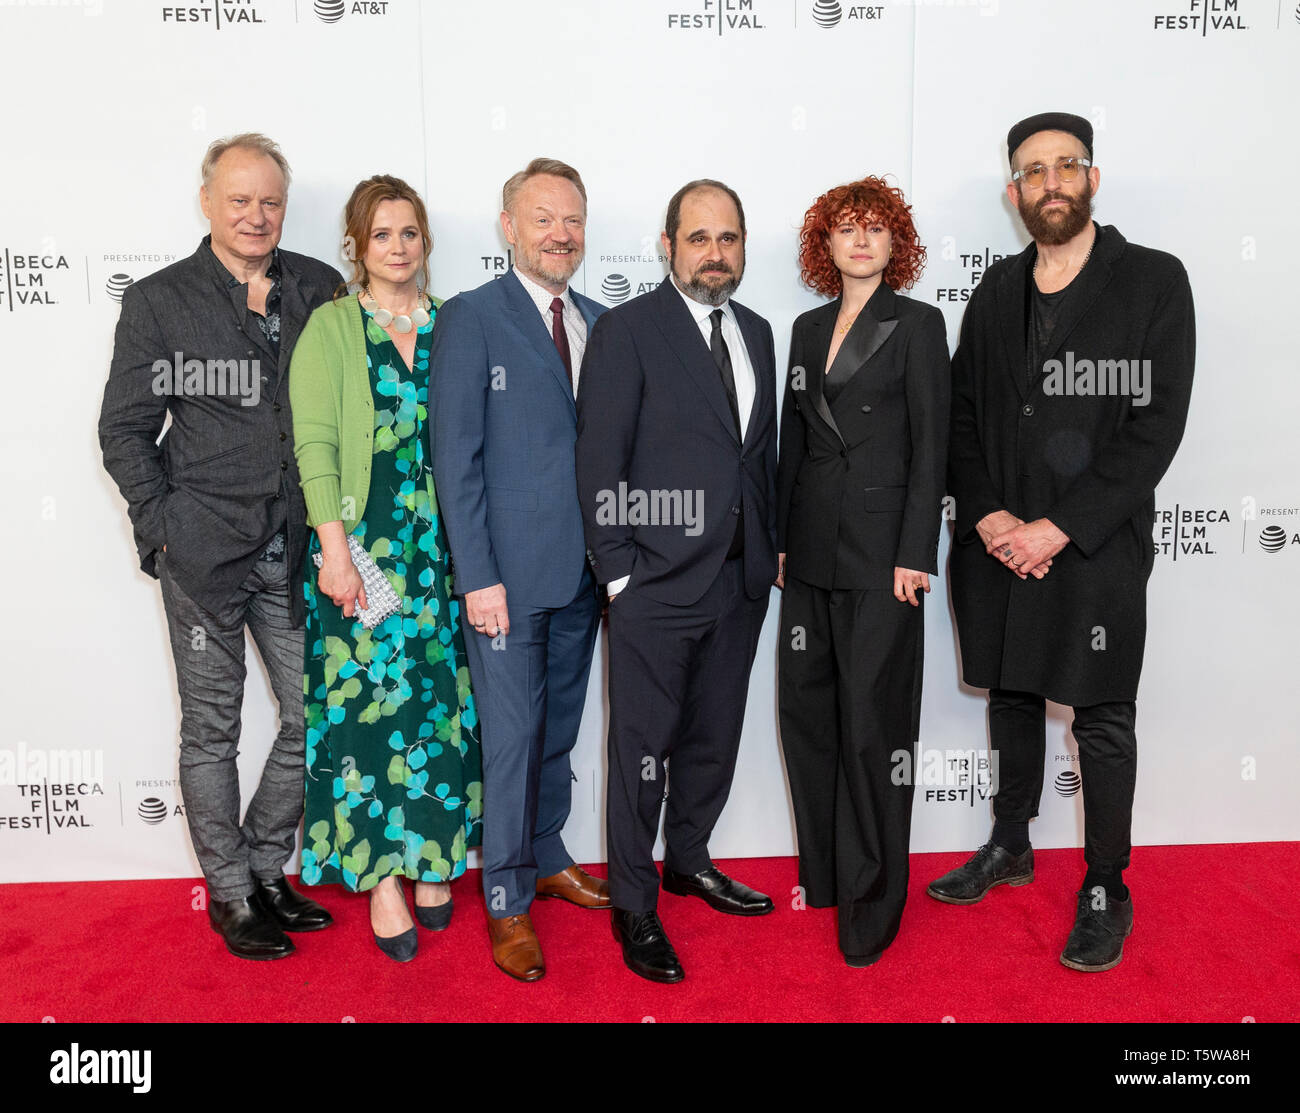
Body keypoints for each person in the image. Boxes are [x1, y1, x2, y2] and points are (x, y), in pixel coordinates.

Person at [933, 112, 1195, 972]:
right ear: (1014, 193)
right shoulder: (995, 289)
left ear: (1091, 178)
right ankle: (1010, 842)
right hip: (999, 543)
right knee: (1011, 691)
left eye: (1065, 165)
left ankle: (1106, 885)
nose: (1050, 181)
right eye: (1032, 170)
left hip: (1095, 547)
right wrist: (989, 515)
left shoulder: (1154, 280)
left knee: (1102, 717)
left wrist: (1059, 525)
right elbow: (962, 415)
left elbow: (1154, 430)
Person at [99, 133, 338, 960]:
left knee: (315, 713)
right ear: (207, 203)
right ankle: (230, 893)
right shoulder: (161, 300)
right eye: (239, 199)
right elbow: (124, 430)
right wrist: (163, 528)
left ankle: (269, 868)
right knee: (212, 730)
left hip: (295, 546)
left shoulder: (319, 287)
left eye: (270, 200)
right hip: (201, 553)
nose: (256, 215)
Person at [576, 179, 778, 984]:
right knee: (641, 750)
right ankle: (633, 901)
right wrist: (619, 574)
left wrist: (771, 548)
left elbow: (755, 456)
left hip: (740, 580)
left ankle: (689, 859)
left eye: (728, 238)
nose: (714, 253)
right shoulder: (628, 331)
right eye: (698, 238)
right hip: (654, 586)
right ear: (668, 247)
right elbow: (601, 460)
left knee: (713, 738)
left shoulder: (758, 331)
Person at [289, 175, 483, 962]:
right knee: (368, 710)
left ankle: (434, 856)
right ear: (357, 246)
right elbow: (315, 448)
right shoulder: (332, 328)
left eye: (409, 234)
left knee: (439, 704)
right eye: (382, 236)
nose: (397, 248)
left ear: (425, 242)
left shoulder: (455, 325)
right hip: (362, 547)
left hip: (441, 550)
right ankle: (382, 879)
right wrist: (335, 550)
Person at [430, 158, 608, 982]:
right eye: (542, 218)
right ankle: (504, 897)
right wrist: (477, 576)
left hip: (583, 578)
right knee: (509, 740)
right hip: (503, 579)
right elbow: (454, 459)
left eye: (571, 219)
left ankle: (545, 852)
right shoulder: (473, 318)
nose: (559, 233)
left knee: (559, 734)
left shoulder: (601, 321)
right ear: (509, 228)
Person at [774, 177, 950, 967]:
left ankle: (876, 893)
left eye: (876, 228)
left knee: (874, 728)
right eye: (847, 228)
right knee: (809, 718)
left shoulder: (918, 325)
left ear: (895, 243)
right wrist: (780, 538)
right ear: (826, 244)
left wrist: (917, 551)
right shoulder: (806, 330)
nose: (861, 240)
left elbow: (932, 447)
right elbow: (792, 443)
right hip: (810, 552)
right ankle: (830, 874)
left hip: (884, 560)